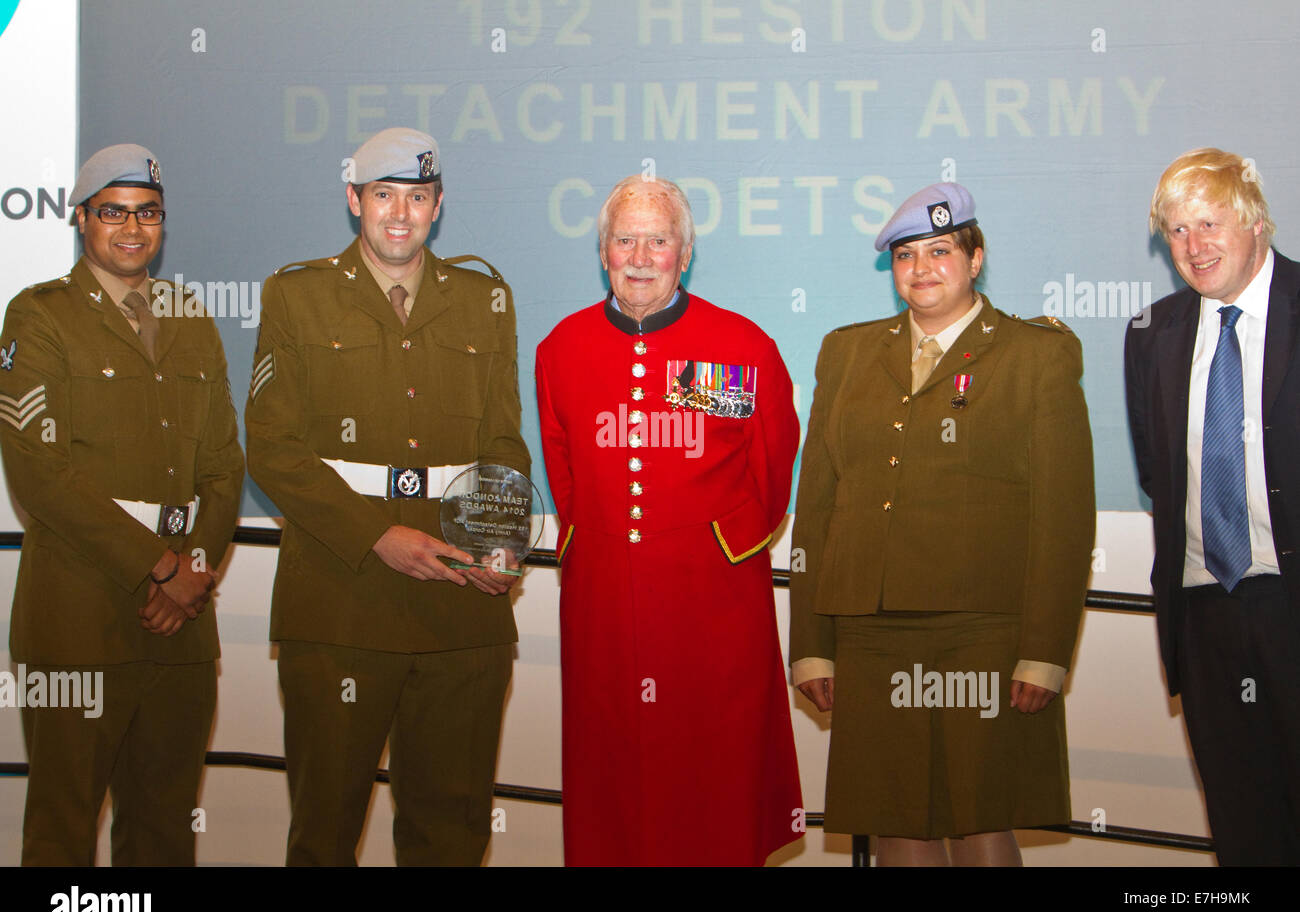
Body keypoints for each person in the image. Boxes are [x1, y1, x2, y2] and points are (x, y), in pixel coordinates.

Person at [245, 127, 528, 866]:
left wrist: (500, 544)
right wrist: (377, 536)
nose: (400, 213)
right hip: (342, 598)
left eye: (417, 196)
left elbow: (502, 442)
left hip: (460, 605)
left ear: (437, 205)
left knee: (451, 835)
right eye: (383, 195)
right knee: (326, 831)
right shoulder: (295, 295)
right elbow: (273, 448)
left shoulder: (484, 299)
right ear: (353, 201)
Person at [789, 182, 1094, 866]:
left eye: (940, 250)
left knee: (982, 820)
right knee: (896, 819)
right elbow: (818, 508)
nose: (921, 268)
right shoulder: (846, 353)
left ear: (976, 258)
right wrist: (811, 642)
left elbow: (1062, 518)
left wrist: (1044, 650)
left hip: (983, 633)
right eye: (905, 255)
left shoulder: (1034, 355)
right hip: (870, 630)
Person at [535, 174, 803, 865]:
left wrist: (716, 544)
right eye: (625, 239)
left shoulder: (740, 347)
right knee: (612, 786)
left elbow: (769, 478)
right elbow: (565, 477)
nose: (641, 255)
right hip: (603, 615)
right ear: (603, 252)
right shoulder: (559, 350)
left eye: (659, 240)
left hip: (711, 614)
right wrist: (590, 547)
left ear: (684, 254)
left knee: (712, 786)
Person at [0, 144, 244, 865]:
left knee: (165, 829)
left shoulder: (191, 318)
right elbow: (41, 474)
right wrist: (159, 567)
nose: (132, 229)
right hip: (78, 614)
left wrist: (191, 569)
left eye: (148, 214)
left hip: (183, 621)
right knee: (62, 829)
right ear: (82, 219)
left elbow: (224, 469)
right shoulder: (39, 317)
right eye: (113, 212)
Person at [1124, 147, 1300, 865]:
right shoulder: (1151, 334)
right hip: (1205, 614)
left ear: (1255, 222)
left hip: (1290, 603)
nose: (1192, 247)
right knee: (1243, 825)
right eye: (1175, 230)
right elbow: (1155, 474)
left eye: (1207, 223)